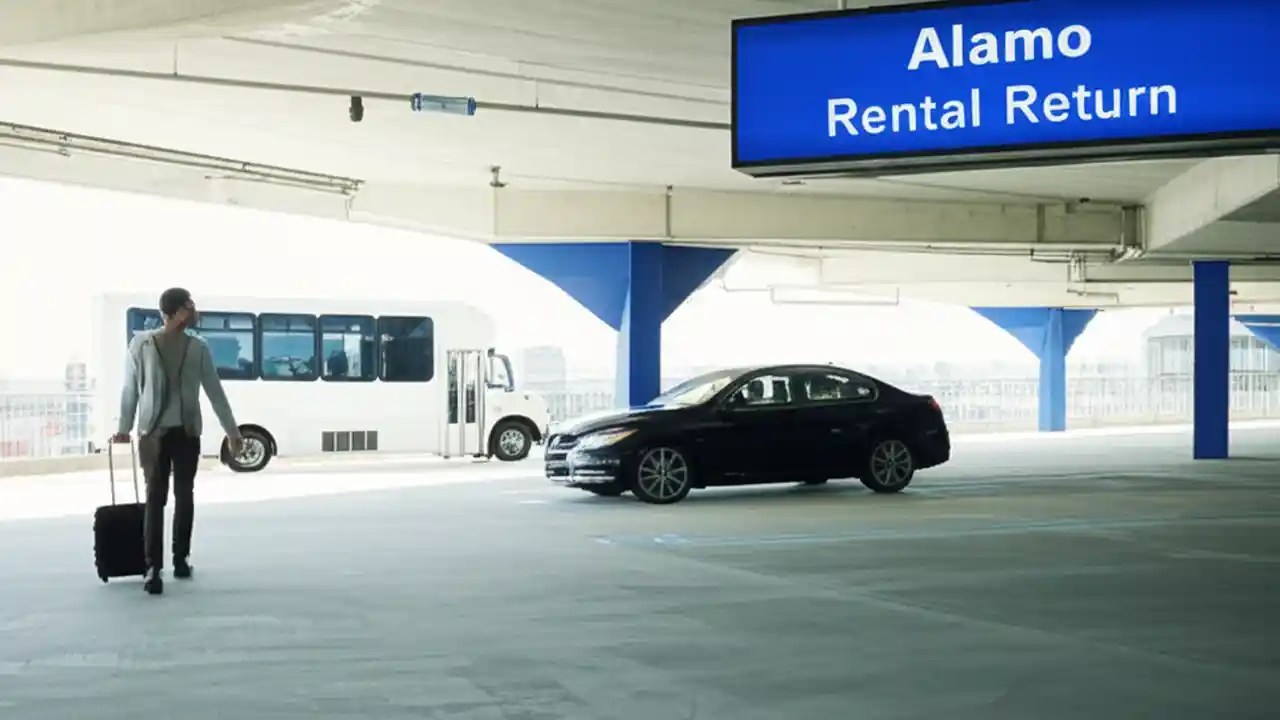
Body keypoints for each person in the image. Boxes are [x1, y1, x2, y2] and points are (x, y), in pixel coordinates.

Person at [111, 288, 243, 596]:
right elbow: (130, 390)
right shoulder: (141, 344)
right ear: (176, 311)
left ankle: (180, 558)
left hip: (186, 433)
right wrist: (123, 428)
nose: (195, 310)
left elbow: (215, 392)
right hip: (153, 434)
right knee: (156, 499)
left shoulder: (198, 347)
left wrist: (233, 432)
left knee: (184, 495)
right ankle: (152, 567)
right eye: (190, 306)